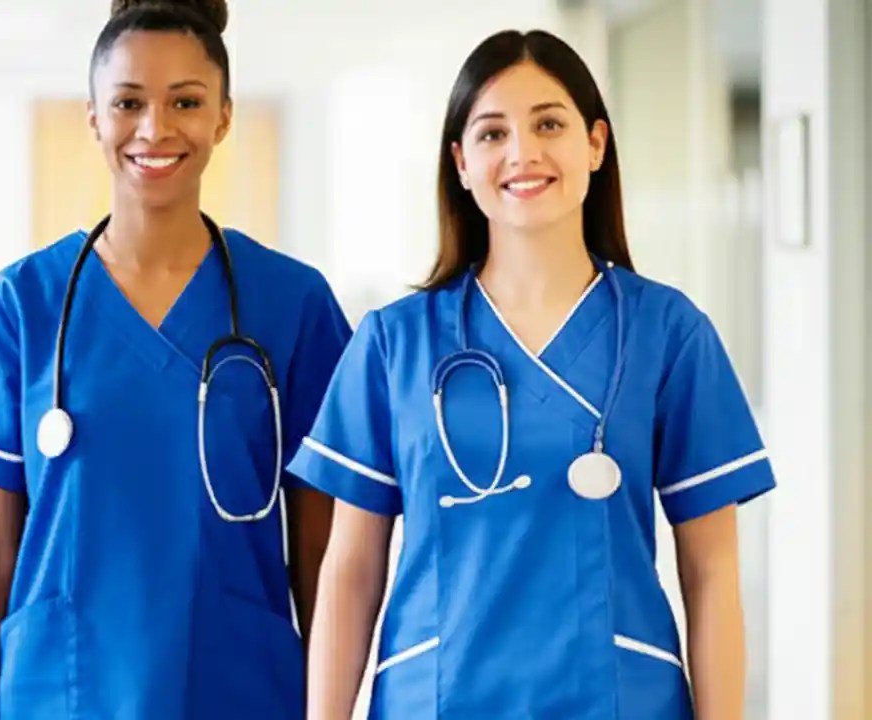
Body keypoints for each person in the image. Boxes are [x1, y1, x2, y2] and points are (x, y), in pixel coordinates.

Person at [289, 29, 776, 720]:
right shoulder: (393, 344)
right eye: (491, 134)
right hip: (436, 700)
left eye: (549, 123)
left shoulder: (669, 334)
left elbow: (712, 572)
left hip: (617, 700)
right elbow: (350, 570)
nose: (522, 152)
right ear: (459, 162)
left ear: (596, 144)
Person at [0, 1, 351, 718]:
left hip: (235, 689)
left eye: (186, 101)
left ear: (223, 116)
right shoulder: (22, 304)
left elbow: (325, 553)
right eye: (128, 102)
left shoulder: (293, 304)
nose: (155, 128)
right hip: (62, 691)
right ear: (93, 116)